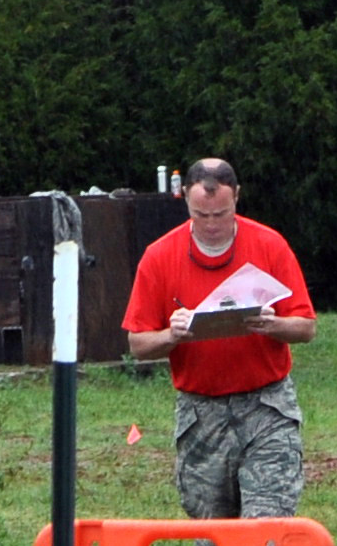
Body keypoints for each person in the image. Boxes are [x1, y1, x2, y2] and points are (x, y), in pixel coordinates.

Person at [121, 157, 318, 526]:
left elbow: (305, 327)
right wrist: (171, 335)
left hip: (266, 407)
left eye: (222, 214)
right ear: (185, 202)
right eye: (201, 215)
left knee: (266, 529)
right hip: (201, 414)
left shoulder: (269, 245)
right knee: (213, 538)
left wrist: (272, 324)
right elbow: (138, 344)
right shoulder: (160, 256)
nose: (212, 224)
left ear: (237, 199)